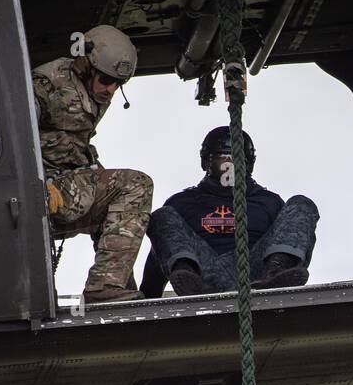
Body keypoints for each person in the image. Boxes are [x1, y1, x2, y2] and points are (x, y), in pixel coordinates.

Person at [32, 25, 153, 303]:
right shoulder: (46, 85)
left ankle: (115, 286)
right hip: (41, 192)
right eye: (106, 80)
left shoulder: (95, 90)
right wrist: (34, 183)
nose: (111, 90)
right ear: (85, 66)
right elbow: (9, 134)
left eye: (118, 84)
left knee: (118, 201)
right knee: (135, 185)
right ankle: (104, 287)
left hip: (67, 185)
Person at [140, 128, 319, 296]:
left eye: (236, 158)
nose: (229, 165)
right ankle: (187, 275)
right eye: (221, 158)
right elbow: (159, 253)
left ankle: (276, 274)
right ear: (206, 161)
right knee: (162, 215)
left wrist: (273, 273)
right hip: (203, 278)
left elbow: (294, 238)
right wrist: (149, 295)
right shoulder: (181, 202)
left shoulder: (269, 202)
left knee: (302, 204)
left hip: (257, 275)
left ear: (250, 163)